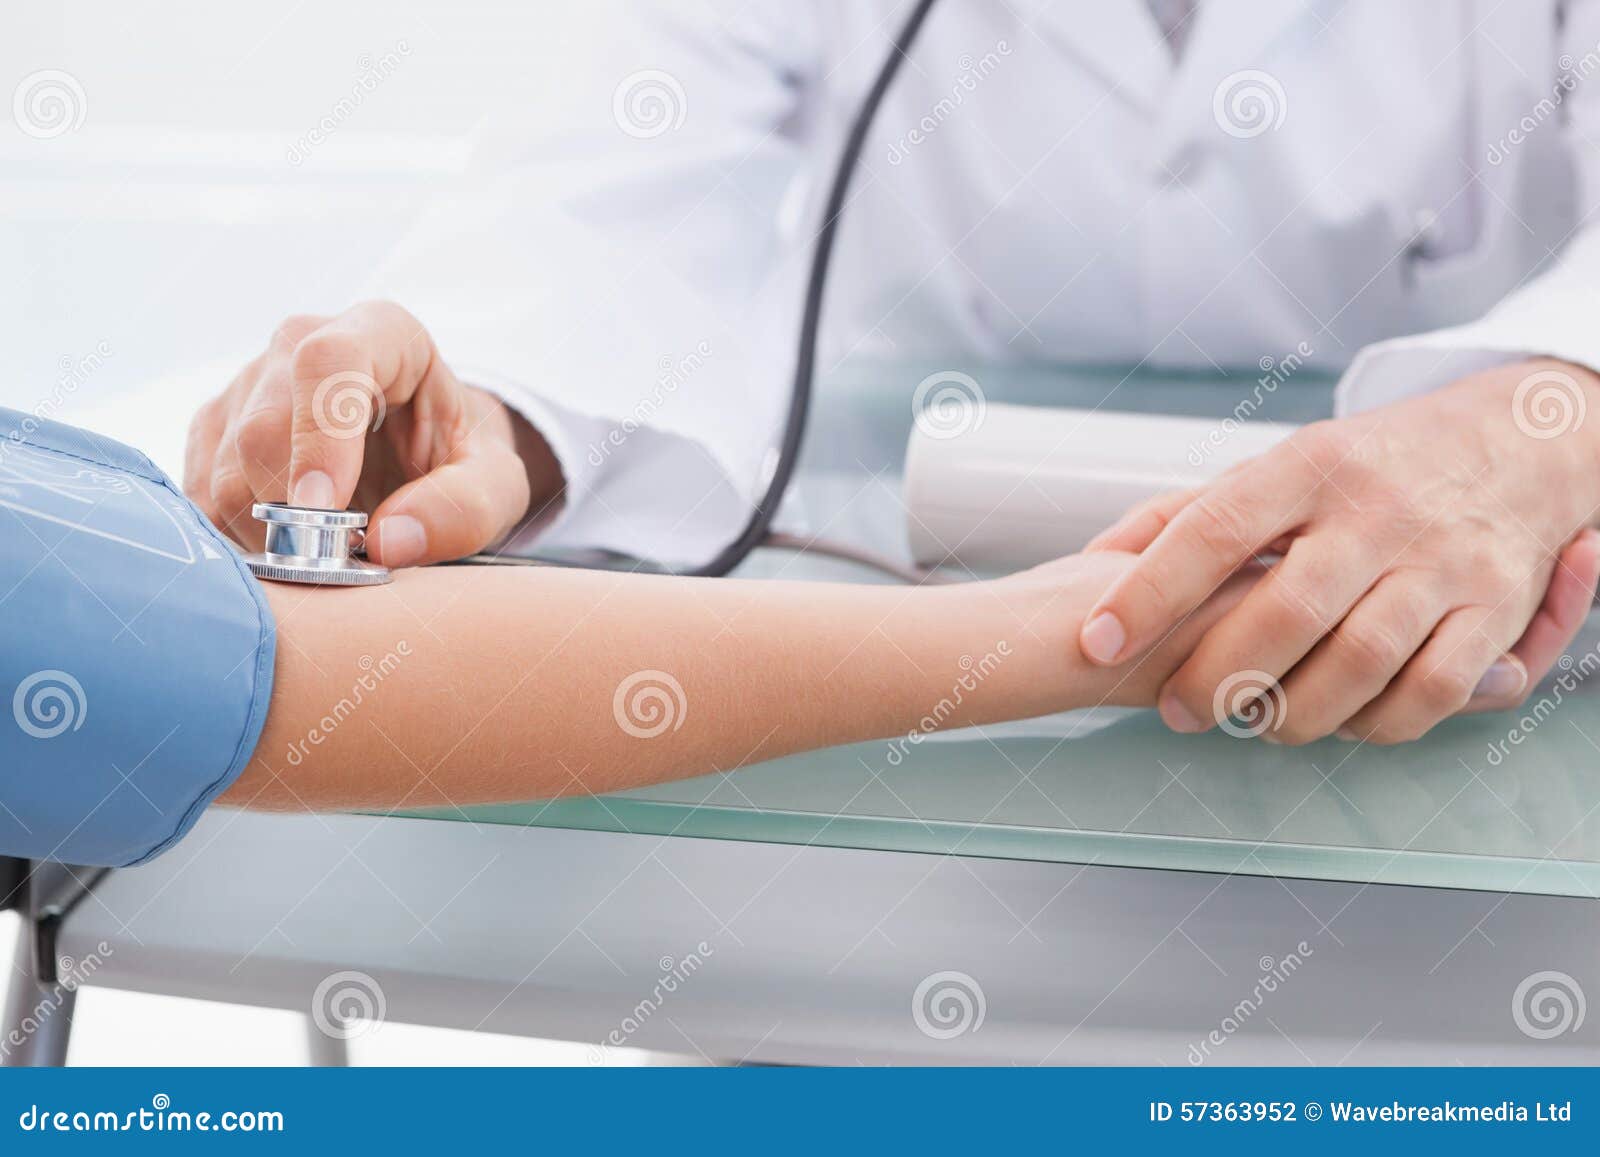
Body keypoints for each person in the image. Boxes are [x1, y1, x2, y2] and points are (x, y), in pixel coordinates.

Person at [189, 2, 1600, 747]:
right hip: (912, 712)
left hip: (1466, 716)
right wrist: (497, 410)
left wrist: (1548, 420)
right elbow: (607, 177)